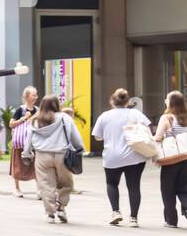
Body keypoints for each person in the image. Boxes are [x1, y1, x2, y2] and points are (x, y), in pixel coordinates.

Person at [92, 88, 151, 227]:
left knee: (112, 183)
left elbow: (98, 137)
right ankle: (134, 218)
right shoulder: (136, 113)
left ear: (112, 101)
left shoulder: (104, 116)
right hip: (135, 156)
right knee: (134, 186)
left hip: (112, 156)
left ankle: (116, 211)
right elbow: (148, 130)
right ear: (128, 101)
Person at [24, 94, 85, 224]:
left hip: (42, 155)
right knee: (66, 183)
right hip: (62, 155)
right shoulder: (64, 118)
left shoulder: (35, 120)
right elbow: (75, 137)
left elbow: (28, 138)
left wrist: (26, 154)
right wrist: (80, 148)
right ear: (57, 105)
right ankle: (61, 208)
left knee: (46, 185)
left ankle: (50, 214)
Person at [154, 91, 187, 228]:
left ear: (171, 102)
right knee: (184, 188)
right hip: (186, 158)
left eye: (167, 99)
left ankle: (171, 220)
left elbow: (157, 137)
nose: (165, 101)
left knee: (168, 190)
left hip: (171, 160)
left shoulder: (167, 118)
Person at [8, 86, 40, 198]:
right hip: (20, 142)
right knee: (18, 165)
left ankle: (39, 190)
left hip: (33, 143)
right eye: (33, 95)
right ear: (26, 96)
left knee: (36, 166)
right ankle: (16, 188)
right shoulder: (20, 110)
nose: (36, 97)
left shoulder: (37, 110)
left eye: (36, 95)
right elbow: (11, 124)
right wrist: (24, 118)